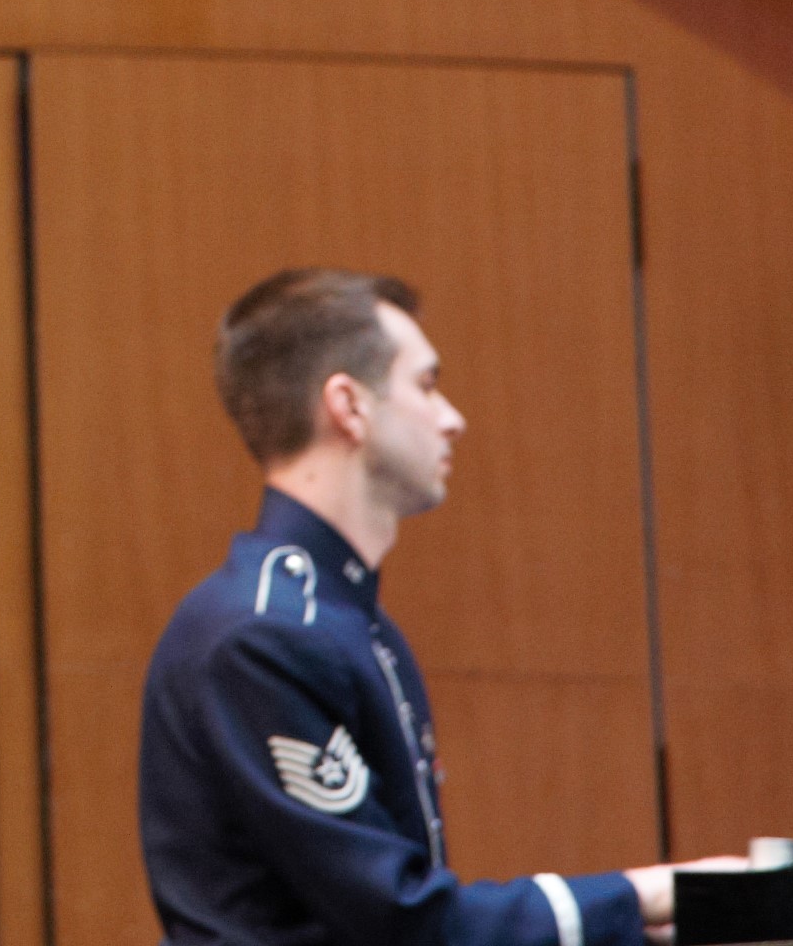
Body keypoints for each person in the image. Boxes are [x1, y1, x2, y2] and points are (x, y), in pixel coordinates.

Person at [141, 270, 712, 946]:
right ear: (349, 407)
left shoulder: (339, 621)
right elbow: (398, 919)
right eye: (426, 385)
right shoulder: (263, 634)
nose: (453, 418)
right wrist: (637, 895)